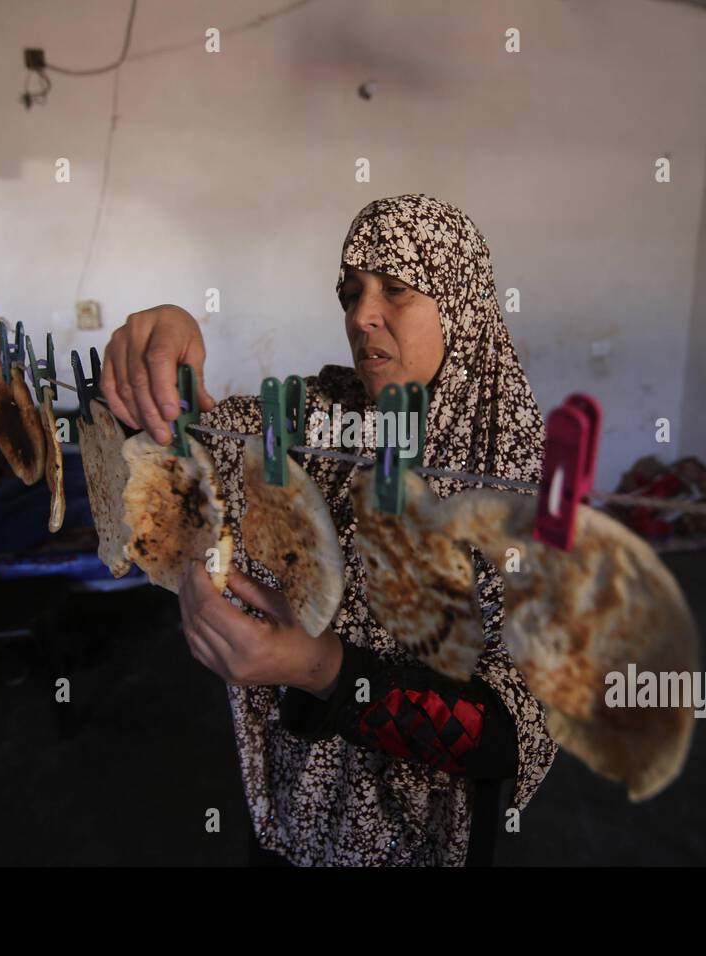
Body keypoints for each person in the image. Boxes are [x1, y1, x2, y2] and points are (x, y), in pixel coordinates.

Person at [102, 194, 556, 866]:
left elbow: (506, 731)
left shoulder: (522, 476)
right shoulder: (319, 419)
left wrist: (317, 668)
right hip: (289, 818)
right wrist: (155, 355)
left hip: (414, 846)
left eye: (396, 289)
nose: (361, 315)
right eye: (350, 291)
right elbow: (174, 456)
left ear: (462, 301)